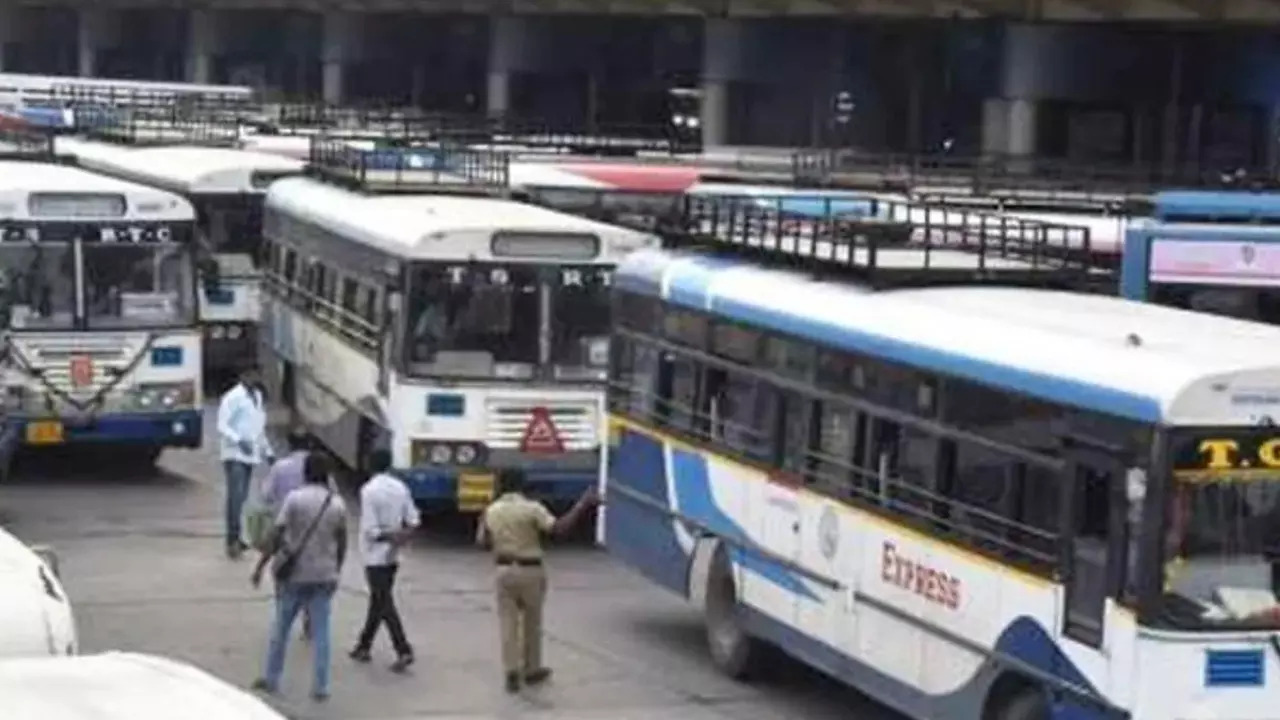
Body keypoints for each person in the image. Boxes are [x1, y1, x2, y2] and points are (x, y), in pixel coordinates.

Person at [476, 470, 598, 693]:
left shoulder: (491, 511)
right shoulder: (532, 508)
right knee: (532, 622)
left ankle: (511, 671)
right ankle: (531, 669)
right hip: (530, 569)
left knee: (508, 623)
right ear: (523, 486)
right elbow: (558, 529)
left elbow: (482, 542)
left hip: (503, 569)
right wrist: (582, 505)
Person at [251, 453, 347, 702]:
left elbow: (277, 534)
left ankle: (272, 678)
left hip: (294, 575)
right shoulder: (336, 503)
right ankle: (321, 686)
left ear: (306, 472)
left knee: (281, 629)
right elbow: (342, 541)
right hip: (324, 575)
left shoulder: (294, 500)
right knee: (322, 633)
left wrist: (261, 565)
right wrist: (337, 570)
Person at [349, 448, 419, 672]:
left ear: (370, 465)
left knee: (384, 603)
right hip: (393, 555)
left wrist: (388, 537)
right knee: (379, 600)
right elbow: (413, 520)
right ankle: (364, 645)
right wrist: (400, 539)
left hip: (374, 554)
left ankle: (403, 648)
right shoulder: (400, 487)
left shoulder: (369, 490)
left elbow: (371, 530)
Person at [217, 365, 274, 559]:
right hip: (234, 455)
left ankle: (238, 537)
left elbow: (259, 428)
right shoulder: (232, 398)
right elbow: (222, 425)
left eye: (256, 375)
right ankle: (232, 539)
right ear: (242, 375)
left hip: (251, 455)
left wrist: (268, 451)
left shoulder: (257, 397)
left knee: (242, 499)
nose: (254, 378)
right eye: (250, 374)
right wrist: (238, 440)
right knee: (235, 497)